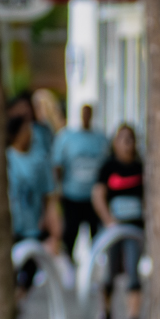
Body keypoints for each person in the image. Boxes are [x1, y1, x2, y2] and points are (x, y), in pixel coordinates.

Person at [90, 125, 146, 319]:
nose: (126, 144)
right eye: (122, 139)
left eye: (130, 139)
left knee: (133, 272)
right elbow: (98, 195)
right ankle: (105, 312)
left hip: (134, 227)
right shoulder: (108, 166)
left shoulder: (140, 167)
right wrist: (108, 219)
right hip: (112, 229)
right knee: (110, 272)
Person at [6, 113, 57, 296]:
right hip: (11, 226)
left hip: (33, 226)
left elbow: (49, 195)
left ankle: (18, 306)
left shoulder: (40, 160)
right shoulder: (5, 159)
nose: (31, 134)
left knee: (28, 273)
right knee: (9, 273)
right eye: (26, 130)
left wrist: (53, 226)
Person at [53, 104, 110, 262]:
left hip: (92, 198)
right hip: (72, 195)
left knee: (96, 236)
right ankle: (68, 266)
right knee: (70, 234)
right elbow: (58, 166)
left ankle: (93, 267)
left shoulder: (100, 139)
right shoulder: (67, 137)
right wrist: (58, 189)